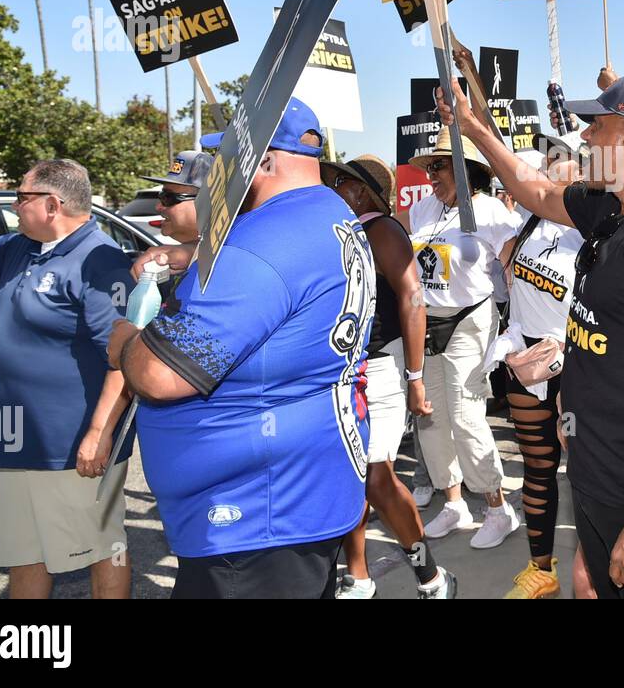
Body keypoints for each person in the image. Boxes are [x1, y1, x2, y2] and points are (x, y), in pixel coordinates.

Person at [435, 70, 624, 599]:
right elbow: (539, 189)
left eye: (597, 125)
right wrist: (475, 129)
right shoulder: (608, 206)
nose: (584, 137)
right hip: (595, 471)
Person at [115, 99, 375, 599]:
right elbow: (289, 275)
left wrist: (125, 341)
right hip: (293, 498)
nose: (220, 172)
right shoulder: (326, 209)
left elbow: (160, 376)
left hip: (253, 520)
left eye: (230, 158)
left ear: (266, 161)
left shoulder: (263, 240)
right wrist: (193, 254)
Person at [0, 159, 134, 598]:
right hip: (17, 441)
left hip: (68, 448)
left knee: (100, 549)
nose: (15, 206)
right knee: (25, 554)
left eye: (21, 197)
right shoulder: (22, 247)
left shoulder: (99, 261)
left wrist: (98, 433)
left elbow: (122, 359)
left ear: (53, 205)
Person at [322, 155, 457, 599]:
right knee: (349, 477)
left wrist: (415, 377)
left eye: (340, 182)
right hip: (347, 369)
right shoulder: (346, 231)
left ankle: (429, 576)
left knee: (376, 478)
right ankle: (358, 577)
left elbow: (413, 298)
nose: (332, 188)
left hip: (379, 367)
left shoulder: (381, 229)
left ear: (362, 191)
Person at [407, 135, 522, 549]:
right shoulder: (421, 208)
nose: (430, 176)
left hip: (470, 321)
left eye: (438, 168)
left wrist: (519, 329)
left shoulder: (491, 212)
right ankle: (454, 502)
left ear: (462, 168)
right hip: (426, 323)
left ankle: (497, 508)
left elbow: (512, 270)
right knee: (430, 417)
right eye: (429, 168)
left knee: (466, 415)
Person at [500, 142, 585, 599]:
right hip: (528, 364)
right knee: (537, 469)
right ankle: (541, 571)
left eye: (567, 181)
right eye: (550, 178)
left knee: (590, 476)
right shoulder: (526, 224)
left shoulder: (597, 232)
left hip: (583, 364)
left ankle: (603, 572)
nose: (556, 187)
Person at [140, 150, 213, 243]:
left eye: (168, 197)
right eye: (161, 196)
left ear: (205, 202)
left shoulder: (230, 252)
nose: (158, 207)